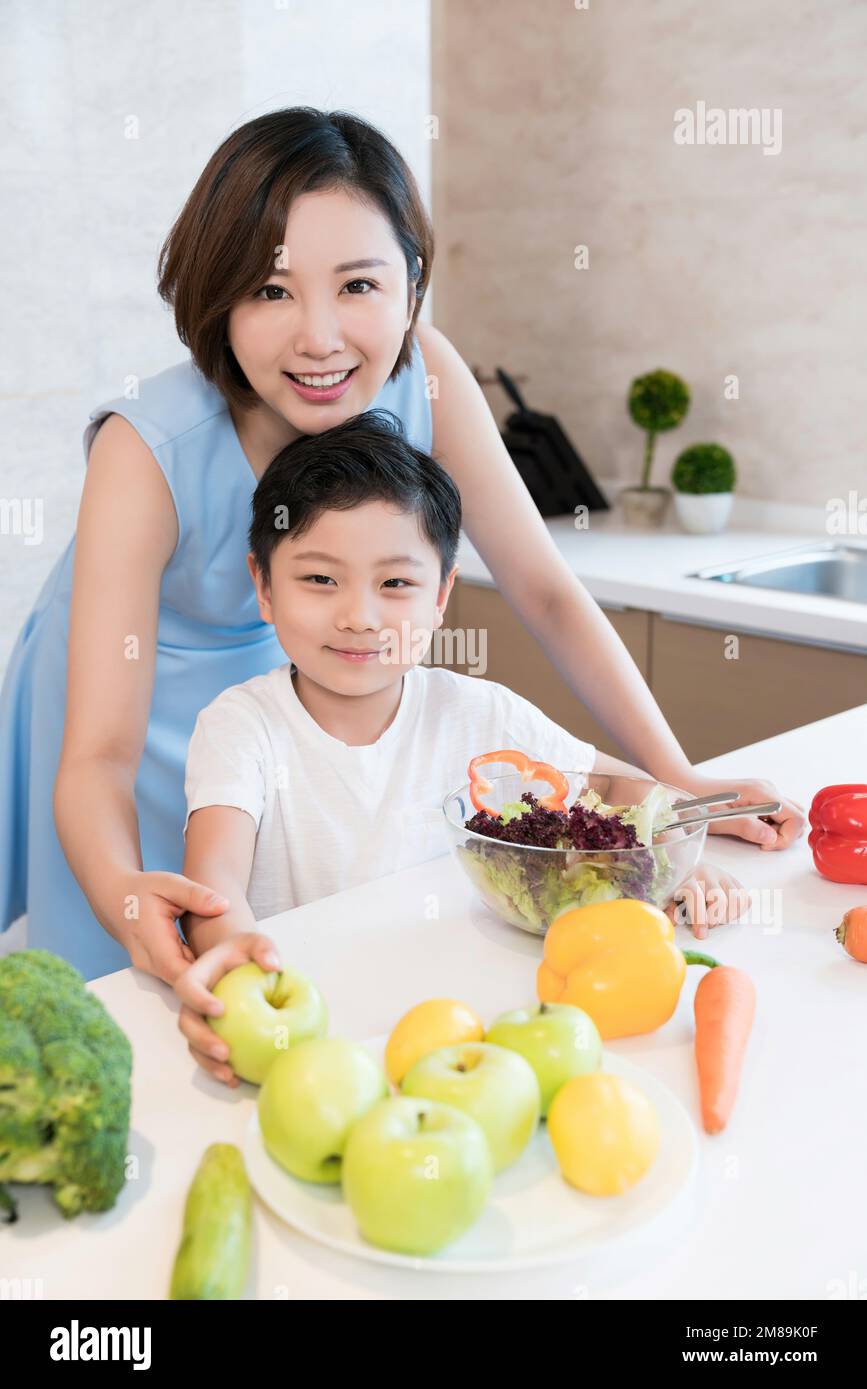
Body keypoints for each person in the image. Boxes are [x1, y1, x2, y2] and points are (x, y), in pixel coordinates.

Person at [0, 107, 802, 984]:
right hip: (122, 700)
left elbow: (545, 591)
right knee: (127, 977)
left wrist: (676, 781)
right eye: (271, 290)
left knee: (295, 934)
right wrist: (122, 892)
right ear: (214, 294)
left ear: (411, 284)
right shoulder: (146, 449)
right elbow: (98, 758)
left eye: (357, 285)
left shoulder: (425, 373)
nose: (320, 337)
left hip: (286, 672)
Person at [174, 411, 749, 1087]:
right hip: (315, 1038)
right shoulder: (241, 725)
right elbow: (211, 889)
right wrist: (240, 968)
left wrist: (676, 849)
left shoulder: (478, 711)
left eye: (395, 584)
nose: (359, 615)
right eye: (320, 580)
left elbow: (620, 787)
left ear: (441, 595)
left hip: (467, 1024)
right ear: (263, 586)